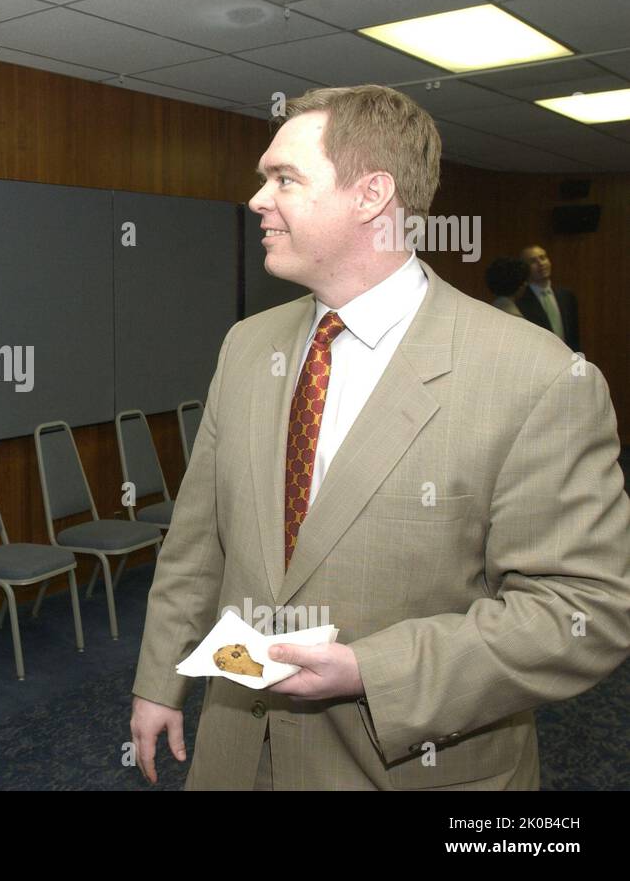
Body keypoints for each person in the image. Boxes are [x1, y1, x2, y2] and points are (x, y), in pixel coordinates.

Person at [130, 84, 630, 790]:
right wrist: (157, 681)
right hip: (238, 754)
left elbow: (584, 610)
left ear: (371, 196)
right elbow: (196, 542)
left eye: (284, 179)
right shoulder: (248, 346)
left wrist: (372, 670)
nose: (257, 200)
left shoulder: (537, 377)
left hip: (407, 765)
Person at [515, 245, 581, 353]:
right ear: (524, 268)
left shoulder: (566, 296)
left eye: (543, 258)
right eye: (533, 261)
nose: (541, 264)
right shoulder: (519, 300)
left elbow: (574, 336)